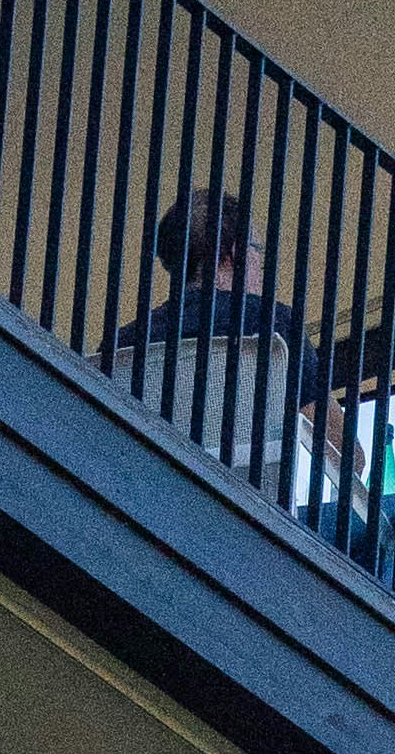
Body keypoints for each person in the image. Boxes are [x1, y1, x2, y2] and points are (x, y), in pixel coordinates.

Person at [114, 178, 319, 510]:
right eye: (258, 251)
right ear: (235, 253)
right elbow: (344, 451)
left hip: (146, 503)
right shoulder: (273, 324)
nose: (261, 264)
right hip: (250, 510)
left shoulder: (123, 343)